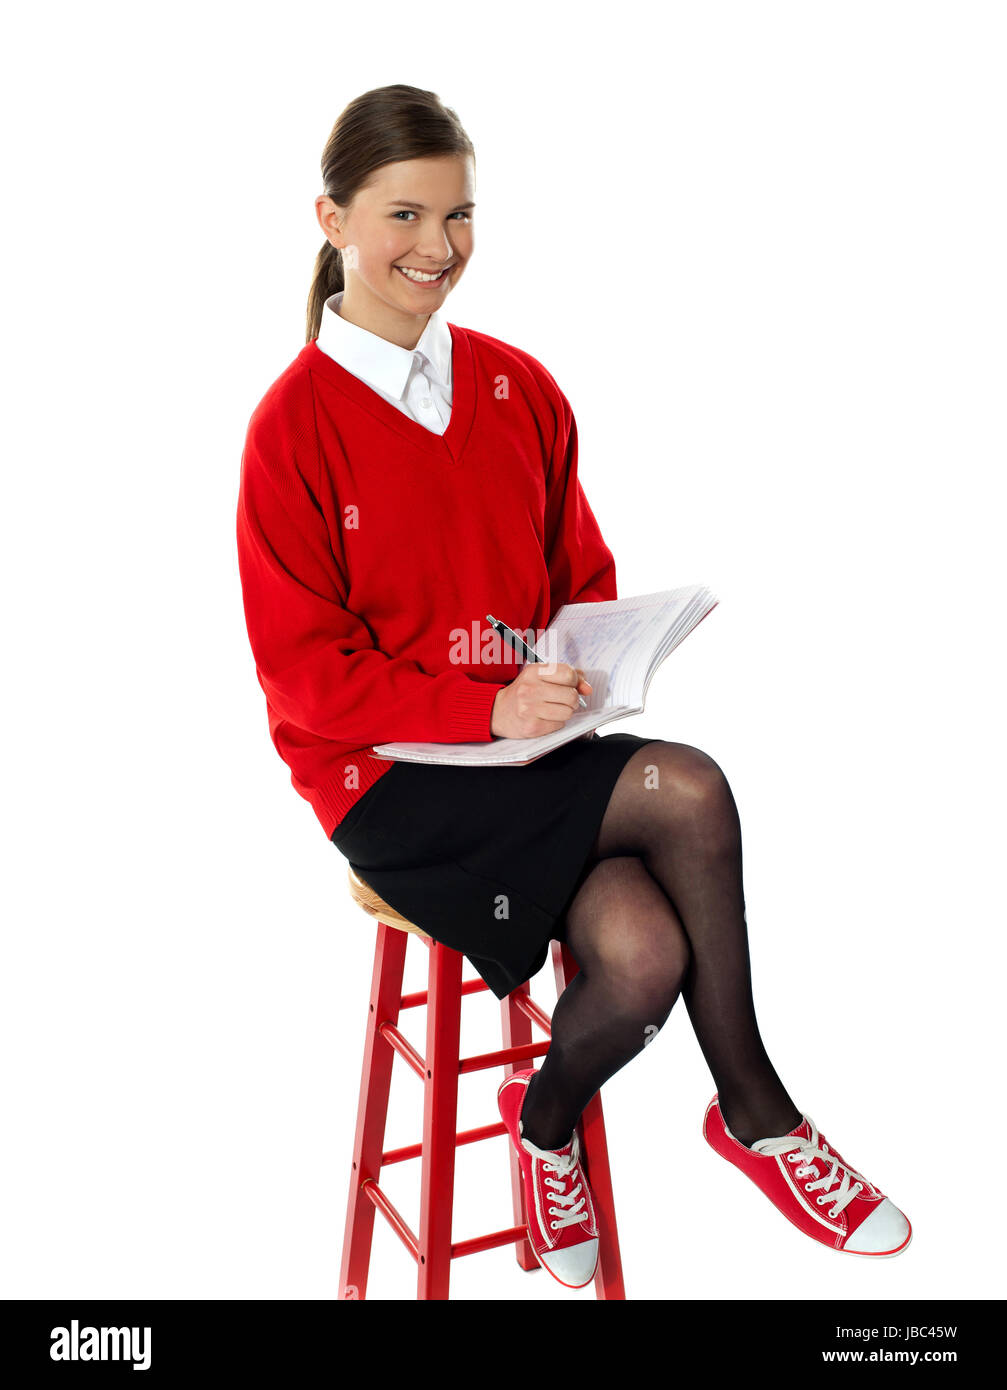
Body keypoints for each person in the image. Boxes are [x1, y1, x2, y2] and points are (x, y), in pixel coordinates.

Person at [235, 83, 912, 1292]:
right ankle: (754, 1112)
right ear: (329, 219)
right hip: (385, 780)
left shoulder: (516, 388)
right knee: (687, 793)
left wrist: (580, 664)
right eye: (404, 215)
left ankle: (544, 1126)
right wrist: (479, 707)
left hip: (526, 759)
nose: (437, 249)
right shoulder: (291, 430)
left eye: (460, 215)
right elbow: (305, 676)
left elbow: (574, 579)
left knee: (643, 948)